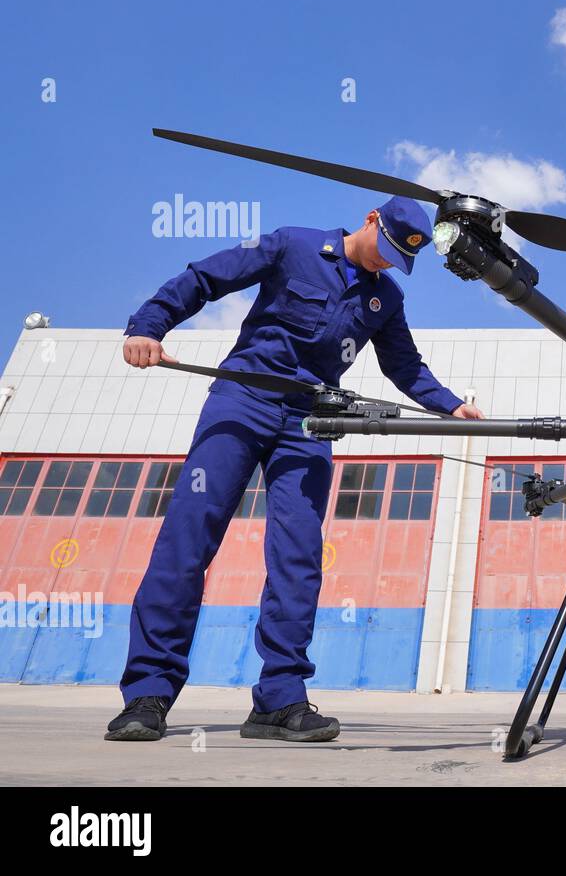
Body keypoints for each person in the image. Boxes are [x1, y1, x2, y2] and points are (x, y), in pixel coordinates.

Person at [106, 196, 483, 742]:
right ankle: (147, 694)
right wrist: (150, 326)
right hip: (241, 400)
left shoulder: (385, 299)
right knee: (189, 536)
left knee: (299, 556)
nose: (386, 263)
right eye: (386, 250)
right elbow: (206, 278)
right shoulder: (293, 243)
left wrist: (450, 404)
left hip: (308, 422)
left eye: (400, 260)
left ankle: (278, 701)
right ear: (372, 220)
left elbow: (405, 365)